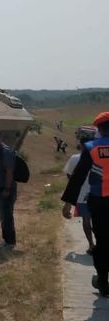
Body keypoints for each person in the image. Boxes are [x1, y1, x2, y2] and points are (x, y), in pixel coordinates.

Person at [62, 112, 109, 296]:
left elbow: (78, 177)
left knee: (103, 241)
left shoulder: (91, 148)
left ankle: (103, 282)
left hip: (99, 203)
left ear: (99, 129)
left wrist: (68, 203)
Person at [63, 132, 96, 254]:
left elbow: (70, 176)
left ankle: (91, 245)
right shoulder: (98, 157)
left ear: (81, 145)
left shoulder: (75, 158)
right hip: (98, 193)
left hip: (81, 194)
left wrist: (68, 202)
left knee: (86, 219)